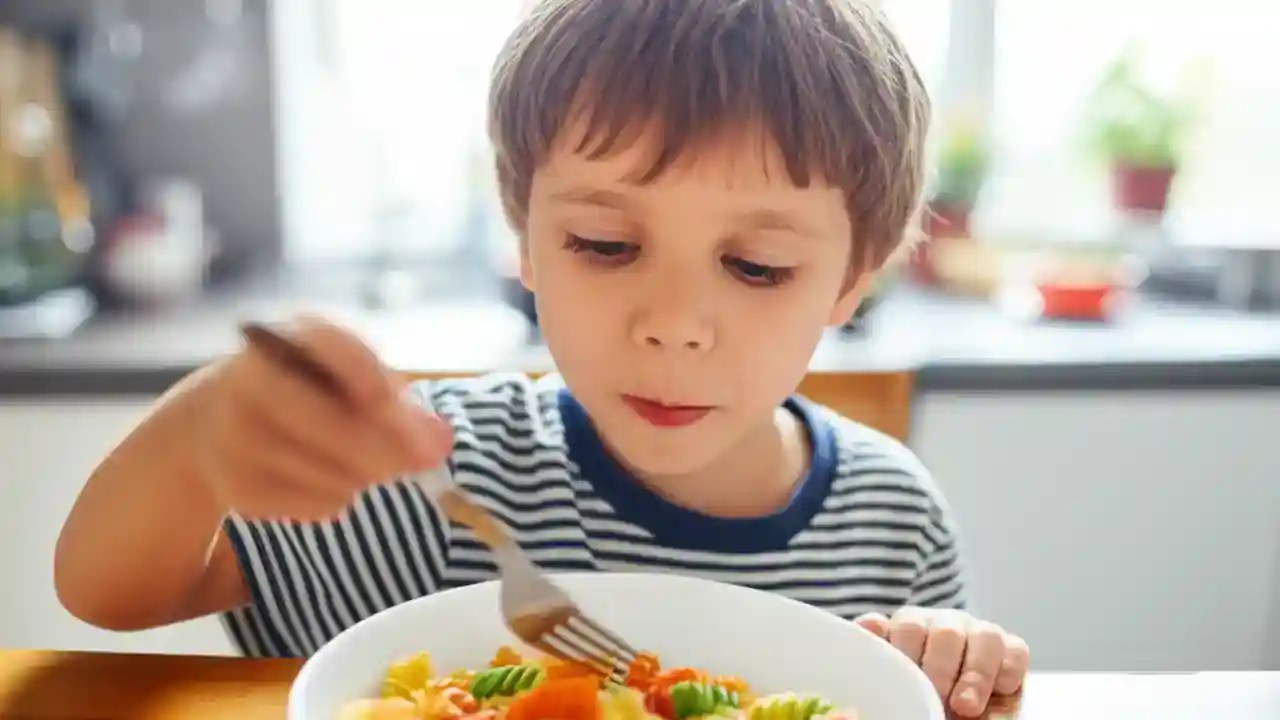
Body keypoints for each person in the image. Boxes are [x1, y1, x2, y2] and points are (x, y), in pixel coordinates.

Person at [54, 0, 1029, 716]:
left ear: (852, 279)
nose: (673, 323)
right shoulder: (441, 479)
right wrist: (201, 432)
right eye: (605, 245)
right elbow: (115, 596)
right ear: (521, 234)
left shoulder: (891, 520)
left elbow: (932, 689)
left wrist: (950, 662)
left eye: (756, 265)